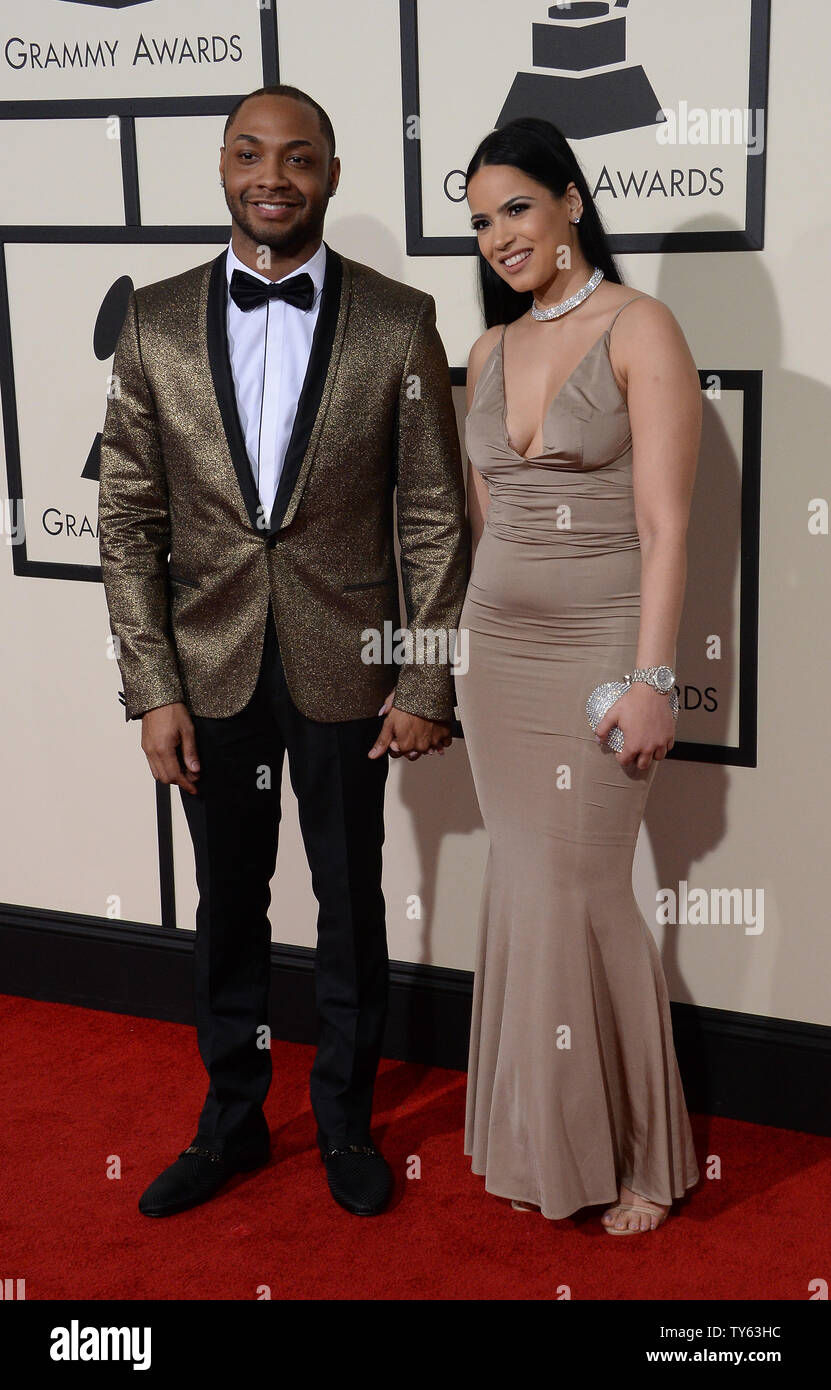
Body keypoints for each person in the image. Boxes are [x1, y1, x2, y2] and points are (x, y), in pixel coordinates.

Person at [97, 84, 469, 1219]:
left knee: (351, 902)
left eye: (298, 157)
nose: (273, 176)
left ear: (333, 175)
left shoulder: (399, 321)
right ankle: (234, 1119)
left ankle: (347, 1121)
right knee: (228, 905)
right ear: (222, 167)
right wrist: (152, 685)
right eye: (252, 154)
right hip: (210, 669)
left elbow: (434, 515)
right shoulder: (156, 323)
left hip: (352, 665)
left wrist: (422, 672)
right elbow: (129, 520)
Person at [454, 117, 701, 1233]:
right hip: (497, 651)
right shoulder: (488, 350)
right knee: (525, 886)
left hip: (604, 649)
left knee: (588, 887)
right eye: (481, 221)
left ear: (569, 203)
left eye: (516, 208)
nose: (501, 236)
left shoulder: (641, 326)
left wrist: (654, 676)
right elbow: (488, 516)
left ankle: (650, 1153)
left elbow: (666, 523)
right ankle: (540, 1128)